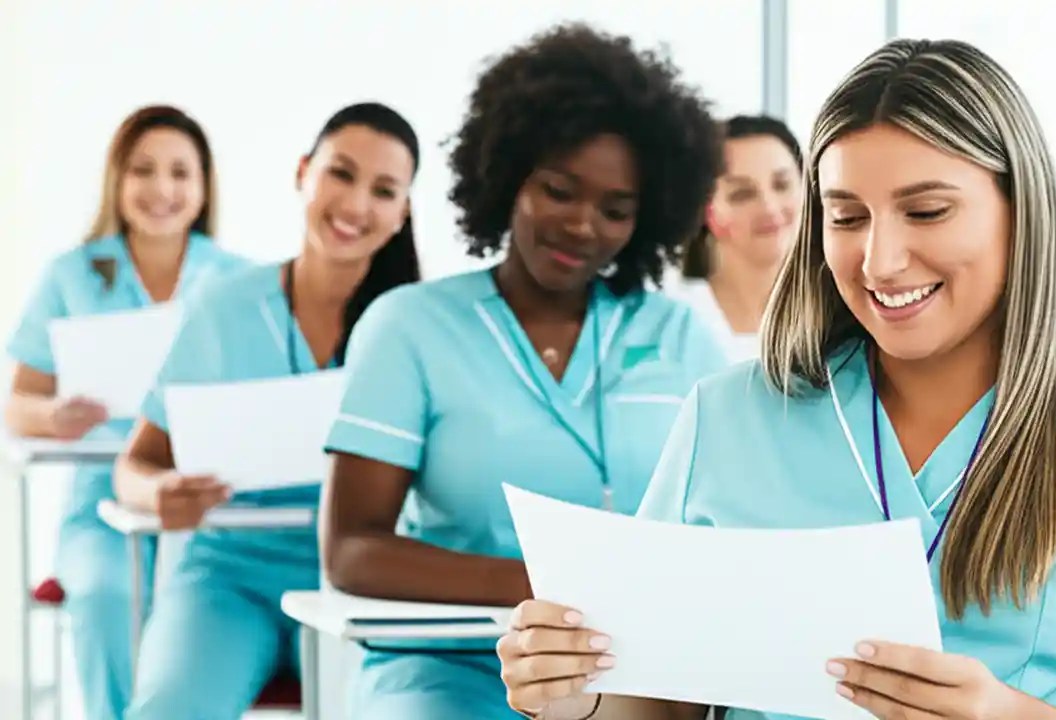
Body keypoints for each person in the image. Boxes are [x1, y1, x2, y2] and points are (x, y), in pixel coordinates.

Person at [496, 39, 1056, 720]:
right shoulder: (726, 417)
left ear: (1019, 211)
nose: (880, 261)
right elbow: (659, 705)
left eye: (927, 212)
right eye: (847, 216)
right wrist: (576, 698)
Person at [320, 23, 727, 719]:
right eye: (558, 191)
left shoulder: (679, 335)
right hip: (445, 670)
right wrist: (550, 587)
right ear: (507, 176)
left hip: (631, 673)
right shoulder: (410, 326)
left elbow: (728, 526)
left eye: (615, 209)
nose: (582, 226)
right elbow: (353, 549)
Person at [111, 102, 422, 719]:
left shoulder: (415, 324)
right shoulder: (224, 307)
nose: (357, 205)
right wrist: (160, 493)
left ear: (402, 213)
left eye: (383, 190)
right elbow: (134, 467)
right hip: (230, 579)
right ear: (303, 172)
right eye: (341, 173)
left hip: (367, 585)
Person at [3, 104, 244, 719]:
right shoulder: (73, 274)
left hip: (207, 502)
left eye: (180, 173)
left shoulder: (238, 282)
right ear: (118, 179)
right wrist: (52, 415)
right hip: (101, 508)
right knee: (111, 595)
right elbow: (18, 405)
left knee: (208, 612)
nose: (162, 190)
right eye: (144, 170)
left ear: (203, 187)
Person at [668, 114, 803, 361]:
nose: (769, 207)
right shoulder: (674, 320)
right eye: (742, 194)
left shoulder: (844, 315)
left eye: (782, 185)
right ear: (704, 210)